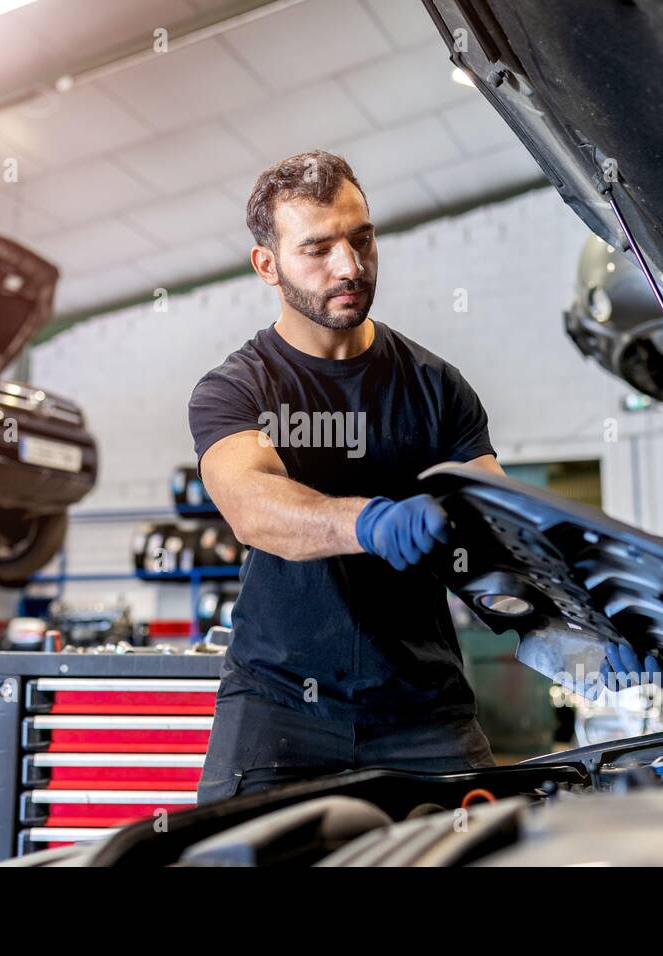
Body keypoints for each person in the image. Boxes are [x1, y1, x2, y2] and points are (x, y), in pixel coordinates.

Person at [187, 149, 506, 803]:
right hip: (279, 709)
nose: (350, 267)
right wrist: (369, 520)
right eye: (319, 249)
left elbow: (495, 531)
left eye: (362, 240)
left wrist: (573, 627)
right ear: (267, 265)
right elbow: (253, 505)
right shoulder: (235, 388)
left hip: (424, 709)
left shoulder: (436, 387)